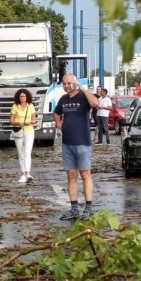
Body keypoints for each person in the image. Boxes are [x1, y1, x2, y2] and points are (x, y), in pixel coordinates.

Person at [53, 74, 98, 220]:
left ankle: (88, 208)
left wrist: (83, 89)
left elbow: (95, 103)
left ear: (75, 83)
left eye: (69, 83)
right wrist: (60, 125)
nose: (66, 85)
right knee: (71, 175)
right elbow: (56, 113)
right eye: (64, 83)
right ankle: (74, 209)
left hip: (83, 143)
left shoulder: (83, 98)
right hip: (67, 143)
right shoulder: (63, 100)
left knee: (85, 174)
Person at [9, 89, 36, 183]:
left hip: (29, 131)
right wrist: (18, 123)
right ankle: (23, 173)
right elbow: (11, 120)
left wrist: (30, 122)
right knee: (20, 153)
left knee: (27, 152)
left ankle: (28, 173)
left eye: (24, 96)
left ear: (27, 97)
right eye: (20, 96)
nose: (22, 98)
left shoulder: (31, 106)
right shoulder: (15, 106)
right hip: (19, 131)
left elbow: (34, 119)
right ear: (18, 97)